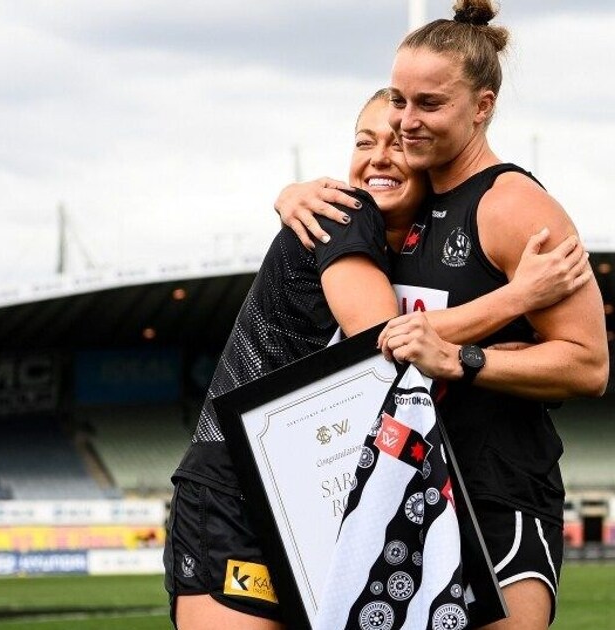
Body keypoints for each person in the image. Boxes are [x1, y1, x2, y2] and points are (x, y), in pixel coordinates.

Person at [166, 90, 591, 629]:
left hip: (318, 501)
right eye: (363, 142)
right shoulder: (346, 212)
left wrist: (490, 353)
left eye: (397, 143)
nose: (378, 156)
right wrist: (517, 298)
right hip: (237, 487)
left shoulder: (427, 247)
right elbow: (380, 345)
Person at [275, 3, 609, 627]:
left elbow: (588, 365)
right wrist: (292, 192)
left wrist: (462, 359)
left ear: (482, 106)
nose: (406, 121)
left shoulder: (515, 204)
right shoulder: (401, 200)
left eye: (429, 104)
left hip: (495, 492)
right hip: (401, 492)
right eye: (398, 101)